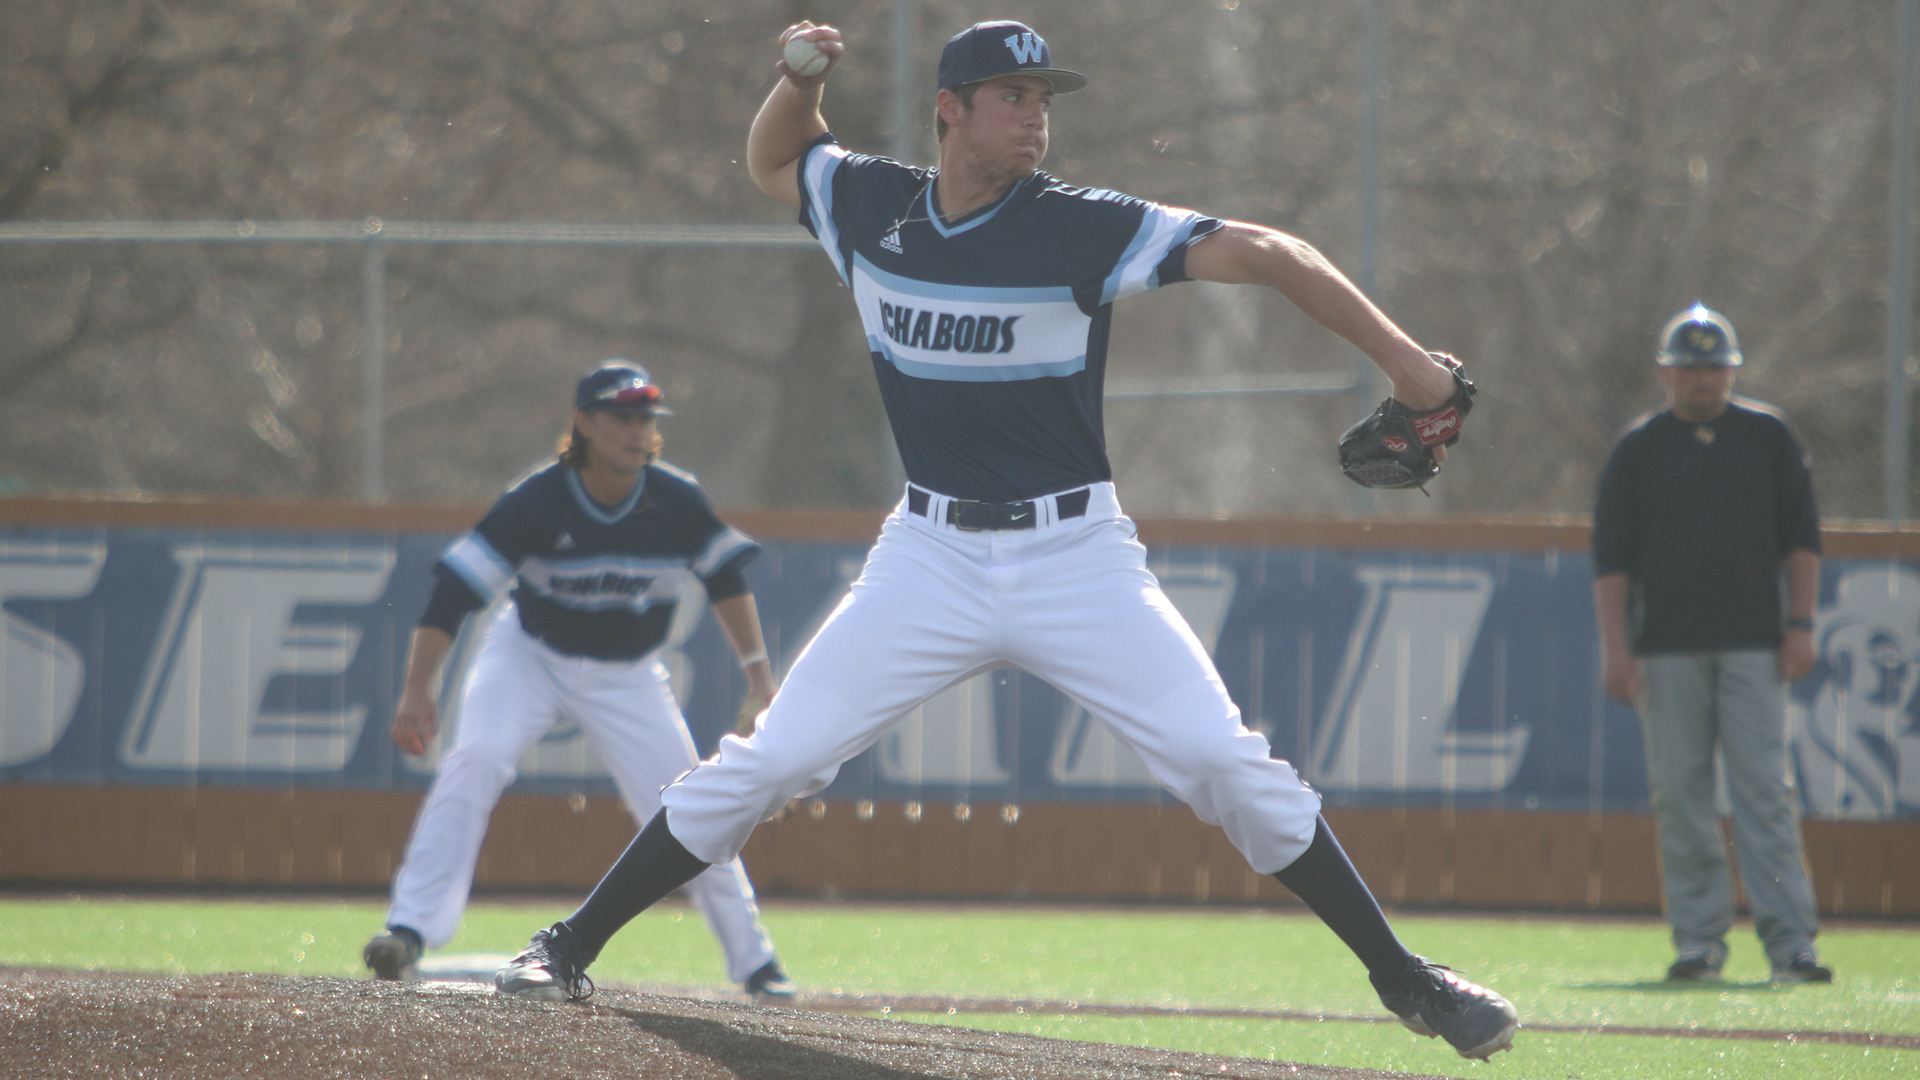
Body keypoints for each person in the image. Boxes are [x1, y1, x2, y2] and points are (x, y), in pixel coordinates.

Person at [494, 21, 1518, 1059]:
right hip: (928, 557)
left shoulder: (1079, 227)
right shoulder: (870, 208)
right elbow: (774, 155)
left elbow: (1266, 250)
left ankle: (1408, 980)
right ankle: (565, 946)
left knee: (1223, 761)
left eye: (1043, 97)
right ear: (950, 111)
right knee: (771, 762)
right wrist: (798, 79)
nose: (1036, 115)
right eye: (1012, 95)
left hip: (1075, 556)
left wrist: (1412, 370)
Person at [363, 361, 795, 1003]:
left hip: (627, 673)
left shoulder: (674, 500)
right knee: (476, 759)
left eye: (645, 419)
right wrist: (417, 687)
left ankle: (757, 964)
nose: (636, 431)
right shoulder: (539, 499)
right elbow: (454, 593)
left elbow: (727, 581)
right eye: (621, 418)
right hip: (531, 654)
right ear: (585, 424)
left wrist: (762, 681)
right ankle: (409, 929)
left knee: (694, 803)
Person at [1592, 304, 1831, 984]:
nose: (1704, 381)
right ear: (1666, 373)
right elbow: (1613, 561)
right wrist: (1617, 647)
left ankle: (1792, 943)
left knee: (1764, 791)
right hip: (1666, 647)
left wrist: (1802, 624)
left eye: (1715, 368)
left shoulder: (1768, 437)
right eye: (1691, 369)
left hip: (1755, 642)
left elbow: (1802, 539)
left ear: (1732, 372)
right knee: (1681, 794)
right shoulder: (1639, 449)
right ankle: (1698, 940)